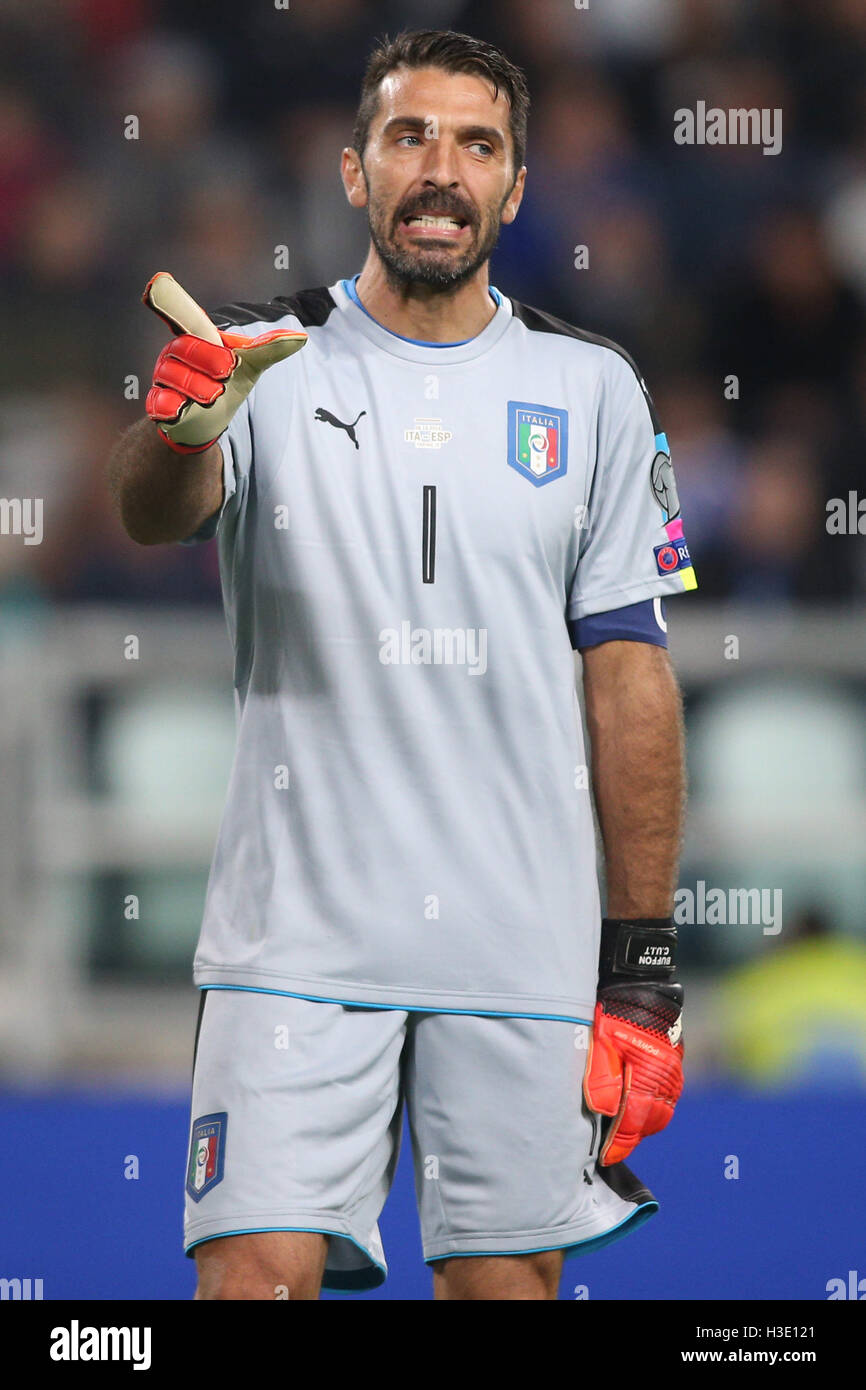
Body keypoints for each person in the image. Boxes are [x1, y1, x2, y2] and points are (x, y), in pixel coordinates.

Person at [109, 29, 693, 1302]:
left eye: (476, 144)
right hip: (295, 942)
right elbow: (156, 507)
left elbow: (630, 671)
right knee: (252, 1279)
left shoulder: (593, 390)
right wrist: (177, 429)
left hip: (517, 946)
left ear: (517, 187)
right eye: (409, 137)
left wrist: (640, 956)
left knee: (506, 1290)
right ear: (352, 173)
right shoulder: (260, 360)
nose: (442, 170)